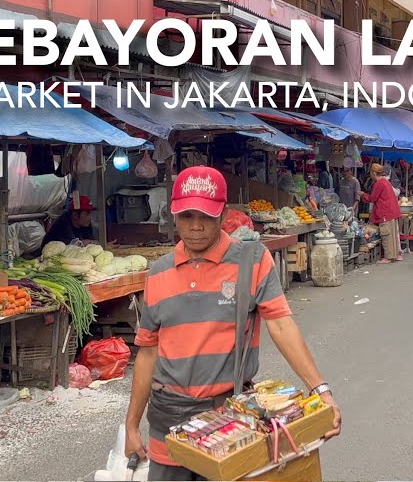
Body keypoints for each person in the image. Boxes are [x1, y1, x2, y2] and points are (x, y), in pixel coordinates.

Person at [125, 167, 341, 480]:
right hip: (168, 424)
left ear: (224, 214)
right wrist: (132, 425)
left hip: (230, 425)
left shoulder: (251, 260)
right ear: (174, 215)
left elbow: (281, 325)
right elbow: (147, 353)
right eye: (187, 216)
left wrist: (321, 390)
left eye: (207, 217)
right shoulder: (158, 273)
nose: (196, 226)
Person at [361, 163, 403, 263]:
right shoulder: (386, 182)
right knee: (392, 235)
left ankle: (388, 257)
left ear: (374, 173)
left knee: (386, 235)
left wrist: (363, 195)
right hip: (391, 212)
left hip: (385, 213)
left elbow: (372, 198)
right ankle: (393, 255)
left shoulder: (379, 183)